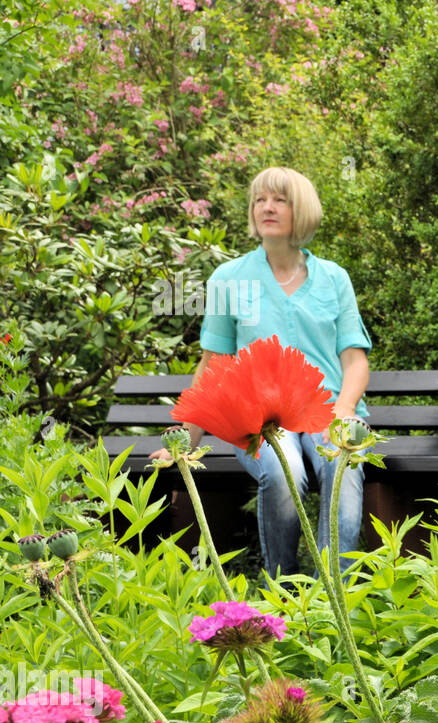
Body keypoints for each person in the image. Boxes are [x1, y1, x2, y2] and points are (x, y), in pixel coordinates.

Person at [151, 167, 371, 578]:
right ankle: (284, 594)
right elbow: (213, 367)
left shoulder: (334, 279)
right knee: (281, 471)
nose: (266, 207)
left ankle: (335, 596)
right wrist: (185, 441)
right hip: (259, 418)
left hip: (326, 409)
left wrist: (344, 408)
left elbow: (355, 360)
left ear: (301, 209)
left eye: (280, 199)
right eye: (259, 200)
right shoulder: (229, 279)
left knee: (343, 466)